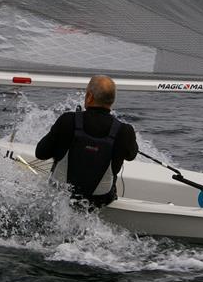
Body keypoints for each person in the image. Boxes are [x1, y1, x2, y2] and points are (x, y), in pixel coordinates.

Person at [35, 75, 138, 207]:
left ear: (89, 97)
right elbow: (131, 155)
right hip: (99, 201)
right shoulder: (125, 131)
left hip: (61, 197)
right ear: (111, 101)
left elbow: (40, 153)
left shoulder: (67, 120)